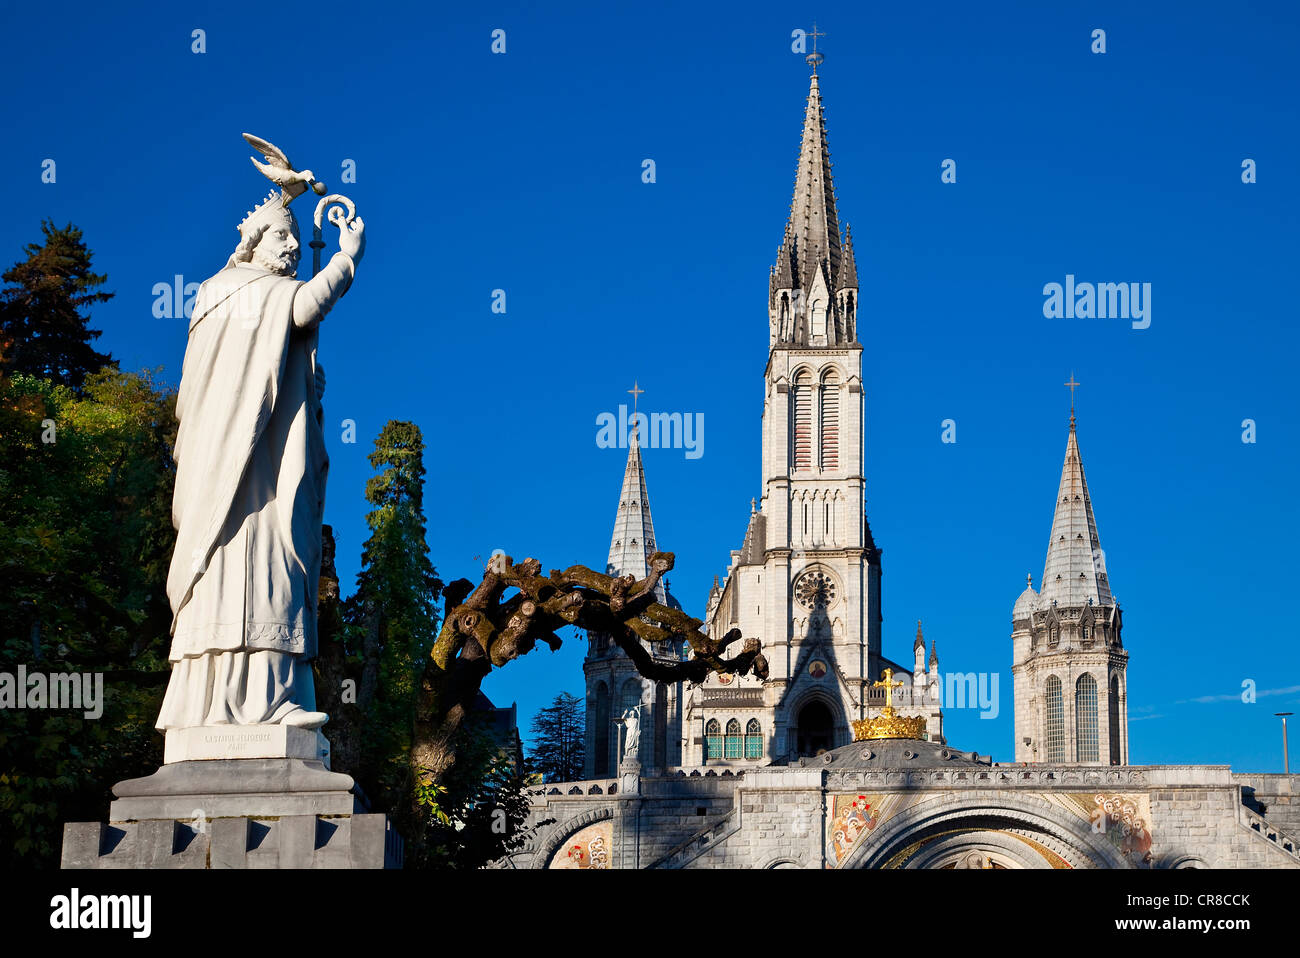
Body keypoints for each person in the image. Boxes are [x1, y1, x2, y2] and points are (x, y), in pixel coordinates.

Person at [156, 187, 364, 731]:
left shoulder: (244, 295)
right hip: (227, 470)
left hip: (269, 468)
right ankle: (209, 708)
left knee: (277, 569)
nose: (293, 245)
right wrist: (347, 257)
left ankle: (273, 698)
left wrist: (305, 389)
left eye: (296, 236)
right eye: (281, 234)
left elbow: (280, 349)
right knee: (230, 572)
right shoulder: (226, 291)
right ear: (251, 242)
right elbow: (304, 304)